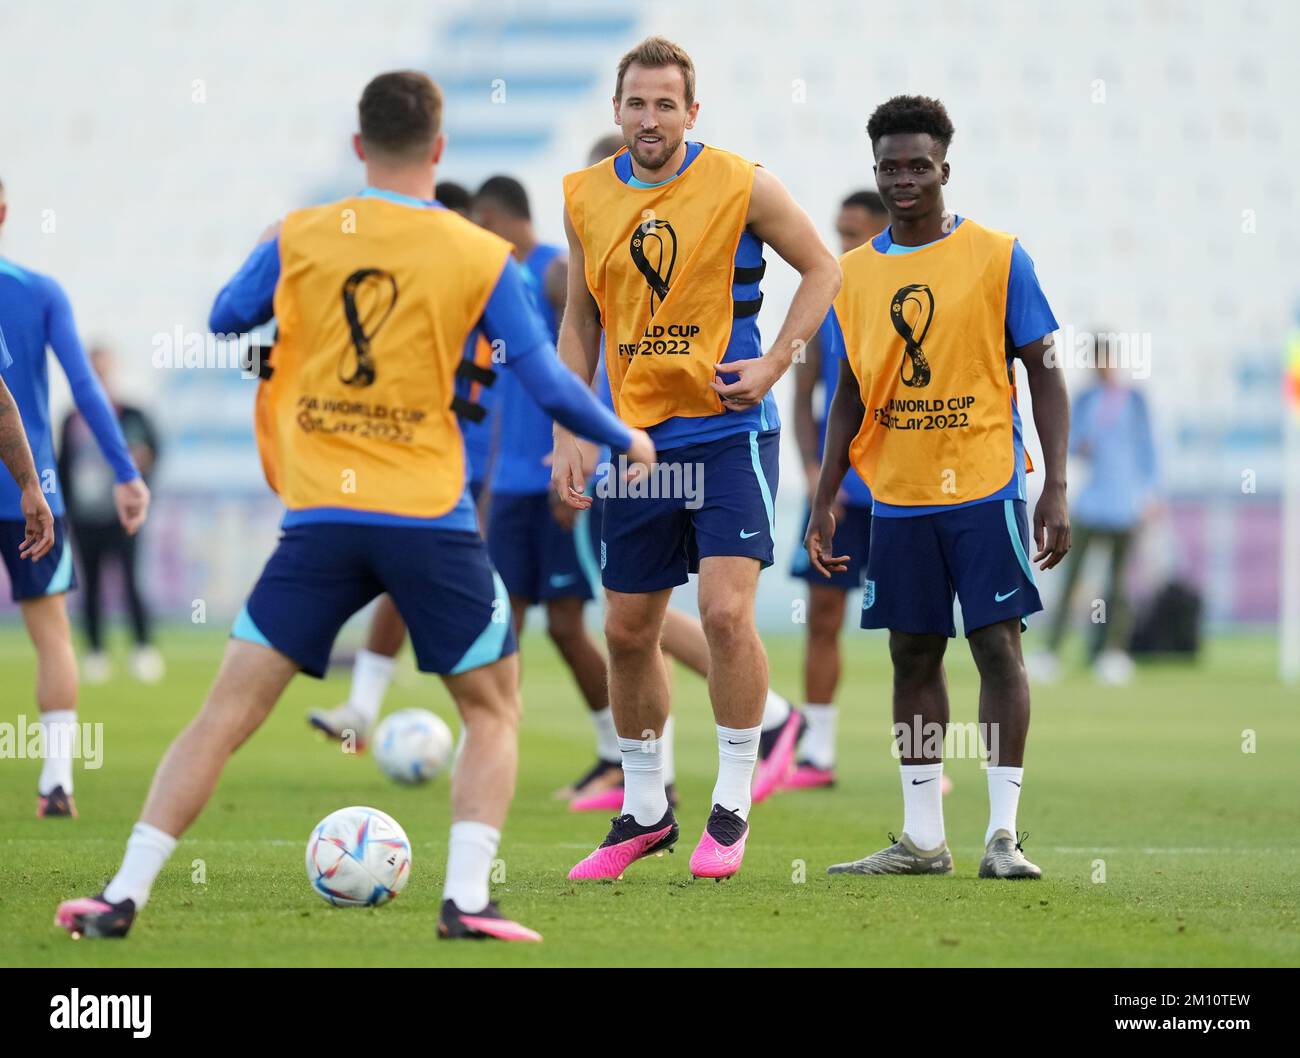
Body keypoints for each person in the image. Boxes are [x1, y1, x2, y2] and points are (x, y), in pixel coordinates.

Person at [55, 70, 650, 942]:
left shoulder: (304, 236)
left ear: (359, 147)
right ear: (439, 149)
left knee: (223, 716)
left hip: (321, 524)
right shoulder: (478, 254)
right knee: (491, 710)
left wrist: (274, 246)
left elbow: (225, 317)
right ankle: (468, 902)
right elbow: (547, 381)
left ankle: (121, 894)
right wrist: (623, 436)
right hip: (428, 517)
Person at [552, 37, 840, 881]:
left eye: (665, 104)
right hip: (634, 447)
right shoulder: (585, 198)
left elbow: (823, 268)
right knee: (627, 629)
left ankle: (733, 802)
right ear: (616, 110)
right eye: (636, 104)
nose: (650, 119)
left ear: (691, 111)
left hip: (727, 435)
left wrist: (778, 359)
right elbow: (581, 321)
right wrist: (571, 427)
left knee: (721, 613)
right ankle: (643, 812)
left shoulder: (742, 181)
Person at [807, 95, 1069, 880]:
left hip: (986, 486)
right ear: (876, 170)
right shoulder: (849, 276)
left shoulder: (998, 255)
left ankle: (1002, 836)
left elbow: (1046, 372)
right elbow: (848, 394)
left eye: (919, 164)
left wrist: (1055, 486)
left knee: (997, 648)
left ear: (944, 167)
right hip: (898, 494)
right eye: (890, 166)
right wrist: (825, 494)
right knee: (912, 654)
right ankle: (923, 838)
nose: (905, 178)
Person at [0, 177, 149, 821]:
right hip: (32, 493)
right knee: (52, 634)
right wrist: (125, 470)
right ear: (5, 211)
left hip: (30, 487)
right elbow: (85, 388)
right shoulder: (39, 292)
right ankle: (57, 782)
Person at [784, 190, 889, 792]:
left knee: (914, 627)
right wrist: (812, 475)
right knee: (823, 615)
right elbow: (804, 402)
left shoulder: (900, 294)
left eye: (853, 233)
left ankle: (921, 760)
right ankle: (817, 753)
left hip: (903, 492)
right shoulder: (823, 304)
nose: (842, 244)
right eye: (838, 231)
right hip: (838, 493)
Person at [1033, 345, 1158, 684]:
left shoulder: (1134, 400)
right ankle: (1051, 651)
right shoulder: (1086, 399)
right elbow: (1070, 445)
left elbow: (1149, 450)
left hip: (1124, 504)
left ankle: (1112, 652)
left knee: (1117, 585)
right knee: (1070, 576)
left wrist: (1149, 494)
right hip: (1090, 503)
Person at [58, 344, 163, 684]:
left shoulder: (130, 414)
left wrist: (138, 470)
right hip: (85, 517)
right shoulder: (71, 419)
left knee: (131, 581)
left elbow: (153, 453)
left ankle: (143, 648)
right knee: (90, 586)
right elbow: (63, 466)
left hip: (123, 515)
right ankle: (95, 652)